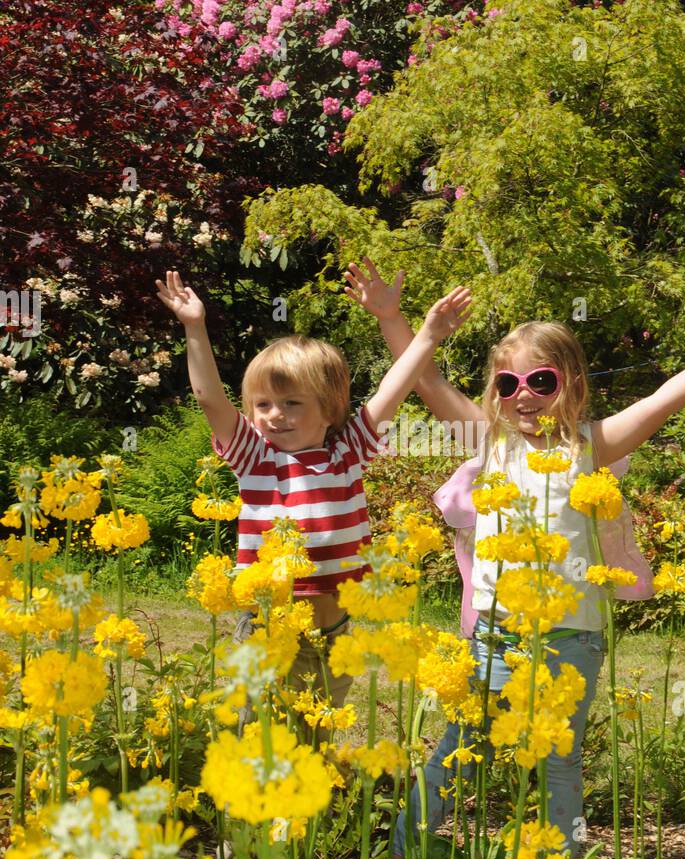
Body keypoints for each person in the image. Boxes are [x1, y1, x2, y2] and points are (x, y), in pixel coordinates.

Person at [345, 255, 685, 859]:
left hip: (572, 636)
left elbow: (660, 402)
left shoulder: (591, 446)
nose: (523, 396)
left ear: (571, 383)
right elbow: (427, 382)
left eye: (541, 381)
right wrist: (394, 317)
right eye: (507, 384)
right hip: (494, 633)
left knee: (559, 762)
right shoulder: (488, 443)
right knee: (454, 753)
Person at [156, 267, 472, 712]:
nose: (273, 415)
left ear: (328, 411)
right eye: (262, 404)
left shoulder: (348, 452)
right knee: (256, 737)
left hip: (337, 631)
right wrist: (195, 326)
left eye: (292, 403)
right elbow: (210, 398)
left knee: (317, 736)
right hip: (270, 625)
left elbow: (393, 389)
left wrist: (428, 334)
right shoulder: (255, 457)